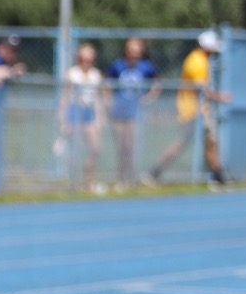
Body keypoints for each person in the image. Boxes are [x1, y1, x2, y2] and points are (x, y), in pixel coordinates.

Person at [149, 29, 233, 187]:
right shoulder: (197, 62)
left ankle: (217, 174)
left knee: (210, 142)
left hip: (199, 110)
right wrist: (221, 97)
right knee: (188, 143)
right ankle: (155, 171)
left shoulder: (201, 60)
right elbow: (202, 91)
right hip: (194, 111)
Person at [105, 37, 160, 189]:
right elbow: (107, 83)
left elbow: (157, 83)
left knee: (131, 146)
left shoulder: (146, 67)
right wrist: (109, 101)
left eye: (137, 50)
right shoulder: (118, 65)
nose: (134, 53)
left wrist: (149, 98)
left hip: (135, 112)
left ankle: (131, 178)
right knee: (121, 146)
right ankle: (121, 177)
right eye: (131, 50)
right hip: (119, 110)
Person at [60, 42, 105, 195]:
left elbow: (98, 98)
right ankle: (73, 183)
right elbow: (65, 97)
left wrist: (100, 118)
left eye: (89, 60)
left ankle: (89, 181)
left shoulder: (96, 75)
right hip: (75, 111)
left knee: (95, 148)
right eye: (83, 59)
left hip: (89, 112)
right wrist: (63, 119)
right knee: (75, 150)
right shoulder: (72, 74)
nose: (86, 63)